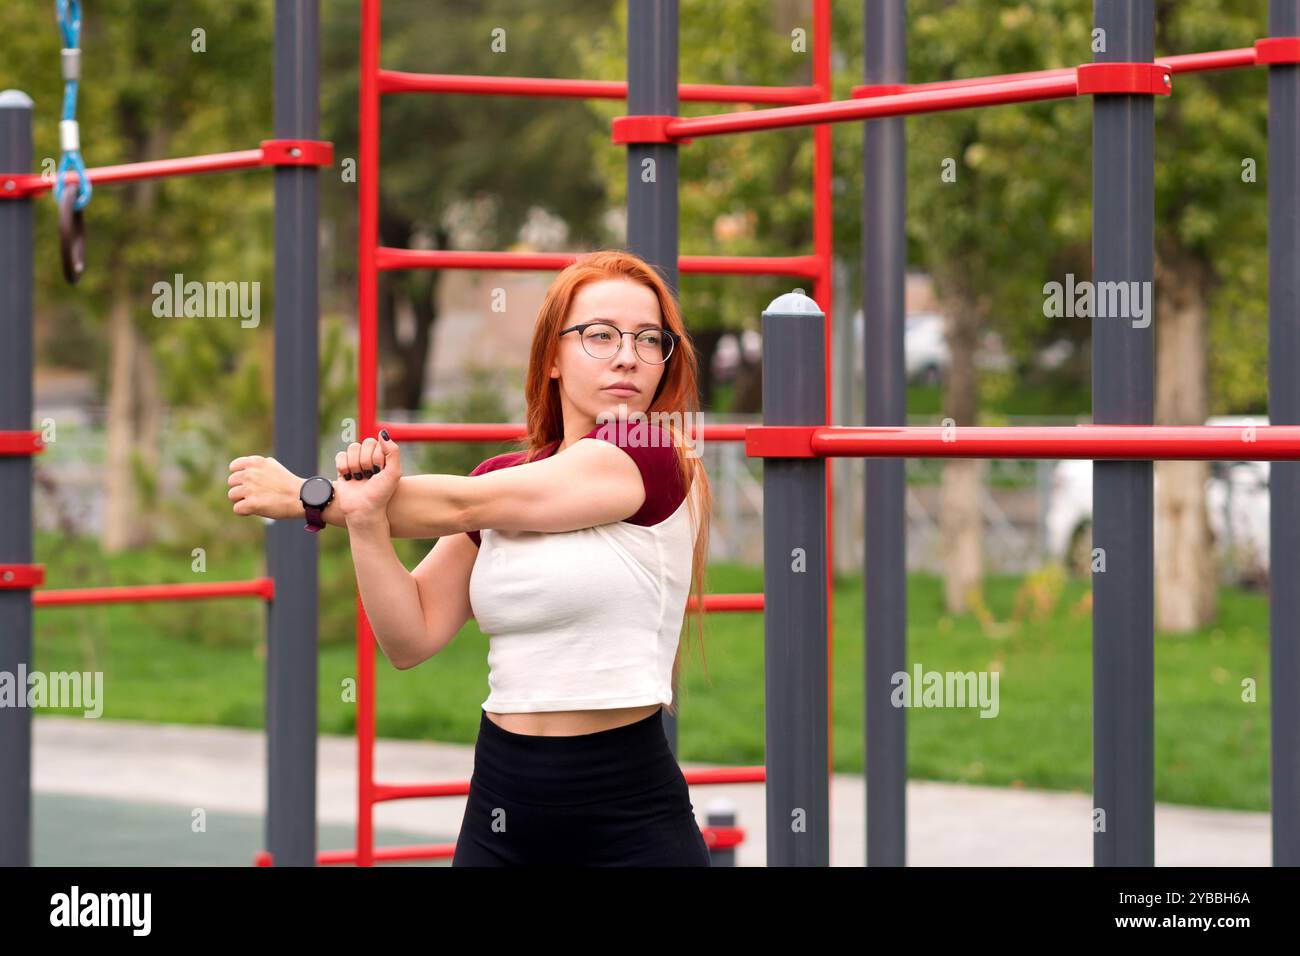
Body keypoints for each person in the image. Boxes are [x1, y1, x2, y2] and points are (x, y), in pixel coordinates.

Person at [227, 250, 714, 866]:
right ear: (553, 358)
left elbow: (458, 503)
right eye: (599, 335)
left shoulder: (655, 452)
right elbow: (411, 638)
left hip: (628, 810)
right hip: (502, 804)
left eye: (649, 340)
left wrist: (309, 496)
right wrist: (365, 522)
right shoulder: (500, 484)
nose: (627, 355)